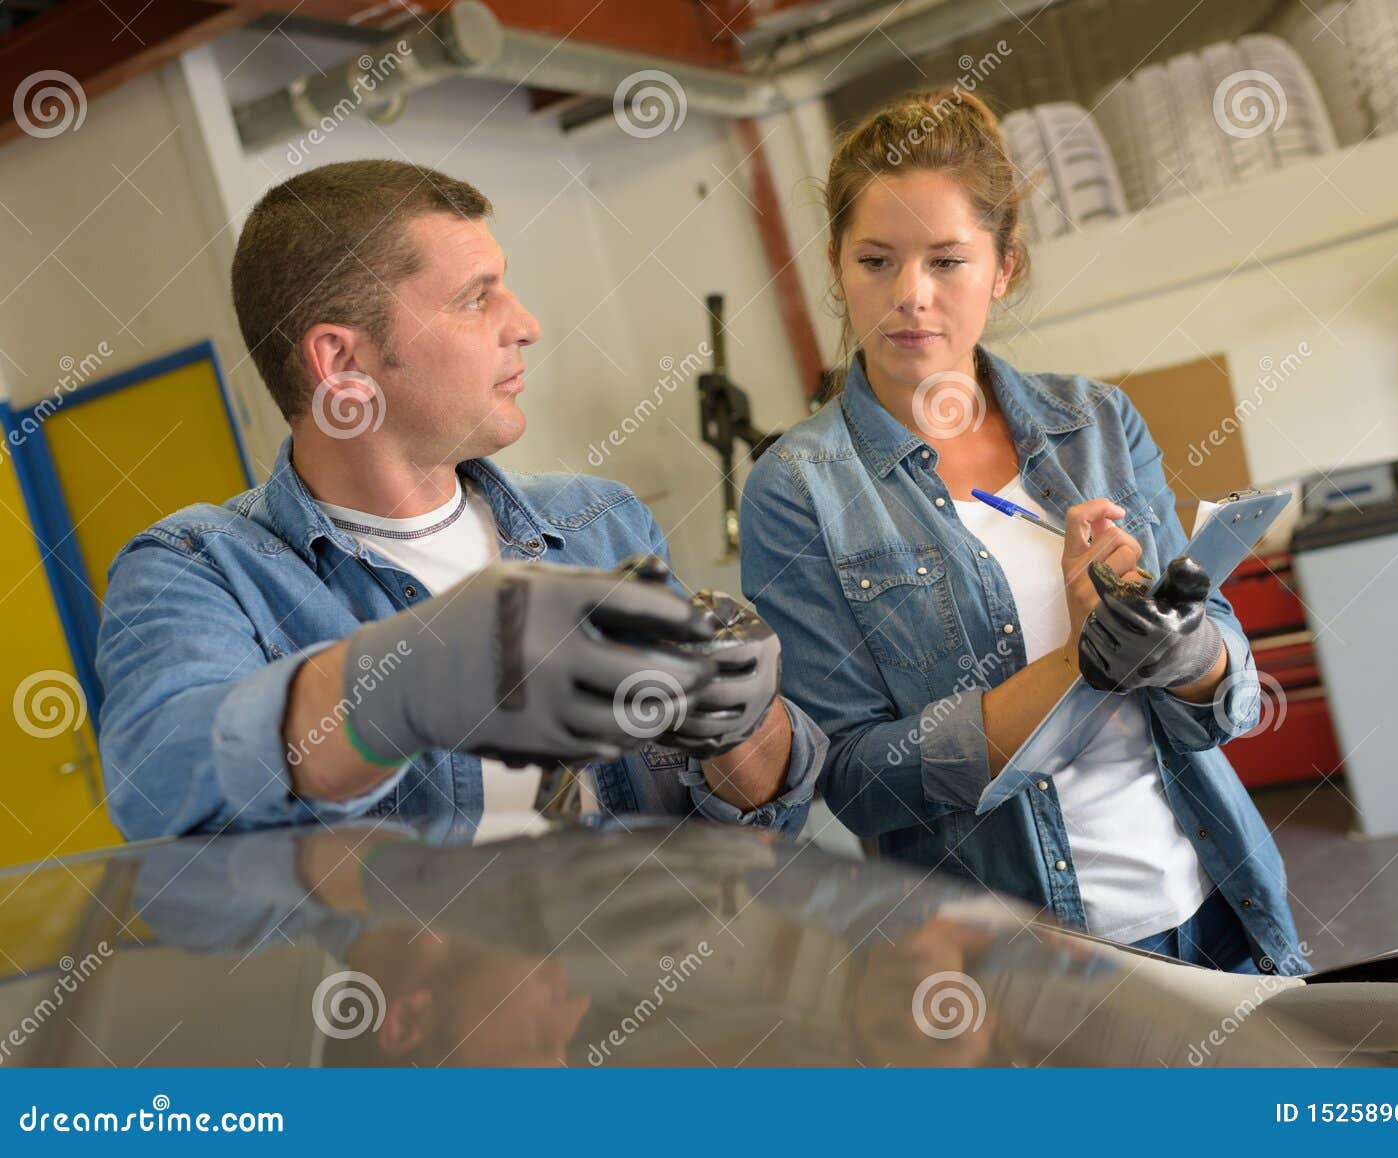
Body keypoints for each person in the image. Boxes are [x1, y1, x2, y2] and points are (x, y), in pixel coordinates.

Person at [738, 90, 1306, 974]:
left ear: (1005, 267)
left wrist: (1180, 649)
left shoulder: (1097, 422)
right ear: (837, 267)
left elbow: (1227, 686)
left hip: (1220, 910)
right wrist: (1074, 664)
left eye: (948, 261)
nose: (909, 298)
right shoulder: (797, 488)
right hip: (1019, 970)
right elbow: (854, 783)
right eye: (877, 261)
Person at [95, 160, 822, 840]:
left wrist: (745, 724)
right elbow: (160, 790)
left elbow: (758, 830)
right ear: (342, 361)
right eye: (477, 298)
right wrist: (403, 682)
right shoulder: (202, 569)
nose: (526, 325)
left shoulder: (601, 524)